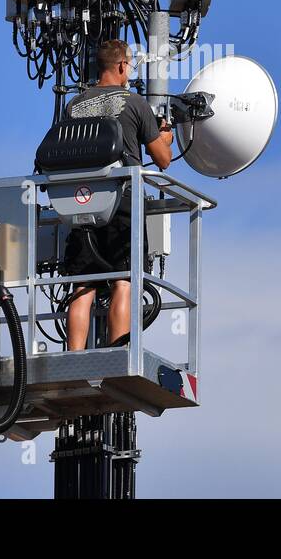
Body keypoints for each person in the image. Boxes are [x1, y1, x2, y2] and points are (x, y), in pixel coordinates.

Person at [61, 38, 172, 350]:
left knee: (83, 284)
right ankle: (116, 354)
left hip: (81, 202)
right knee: (124, 280)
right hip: (122, 202)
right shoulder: (135, 103)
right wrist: (165, 137)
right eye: (129, 66)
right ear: (122, 66)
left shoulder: (74, 105)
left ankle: (74, 356)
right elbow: (162, 159)